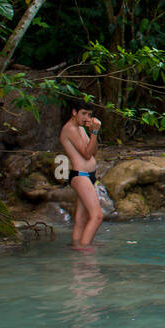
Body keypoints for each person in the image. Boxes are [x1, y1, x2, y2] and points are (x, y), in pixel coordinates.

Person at [60, 103, 104, 250]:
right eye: (83, 113)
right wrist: (95, 132)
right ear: (74, 112)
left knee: (81, 219)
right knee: (97, 216)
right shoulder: (70, 129)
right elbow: (86, 154)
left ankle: (77, 246)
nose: (86, 118)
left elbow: (93, 152)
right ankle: (85, 249)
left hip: (88, 176)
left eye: (89, 115)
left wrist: (92, 132)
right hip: (81, 175)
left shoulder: (80, 128)